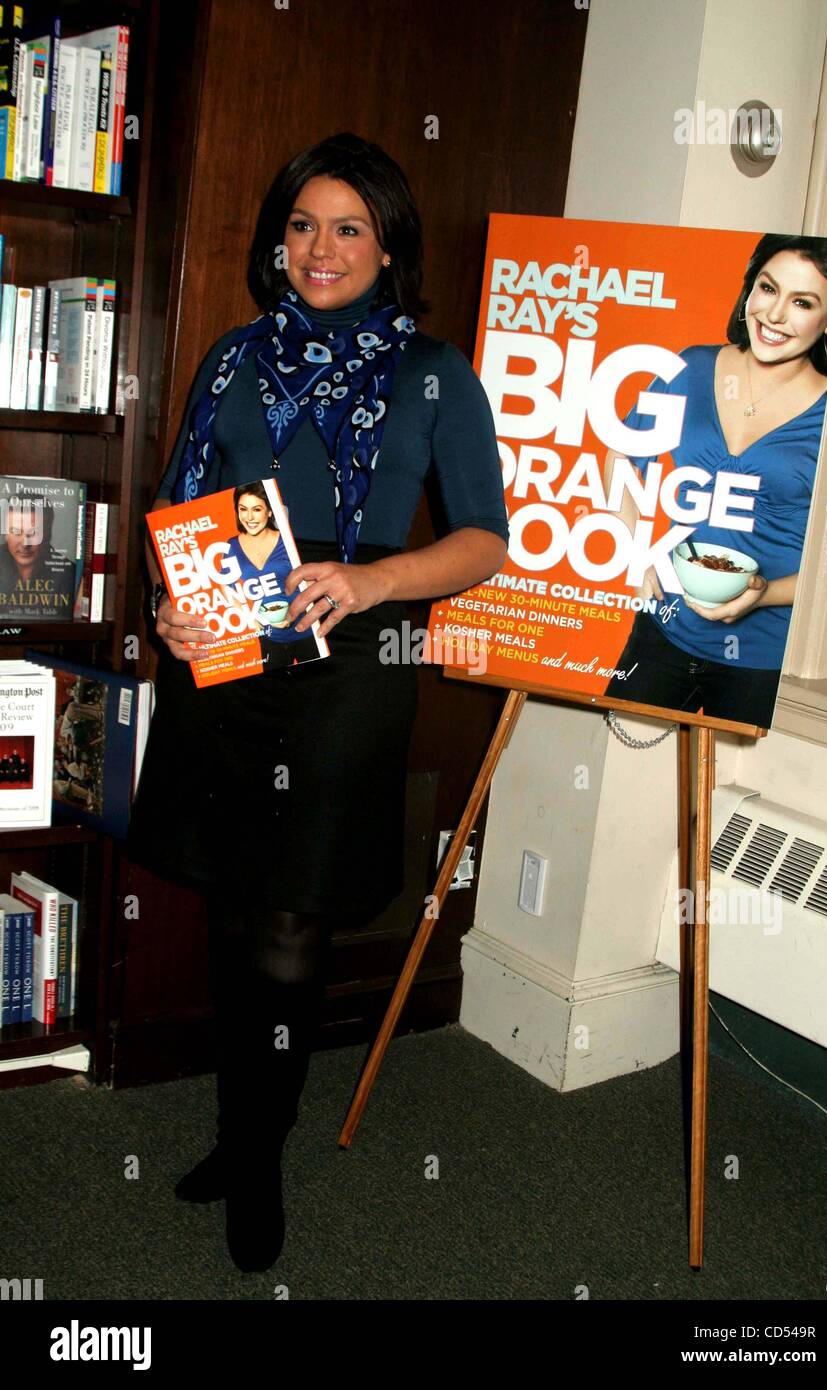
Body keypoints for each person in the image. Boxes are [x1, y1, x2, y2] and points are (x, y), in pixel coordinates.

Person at [126, 132, 509, 1273]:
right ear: (274, 241)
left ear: (387, 245)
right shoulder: (232, 360)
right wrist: (167, 612)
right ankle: (236, 1128)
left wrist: (374, 577)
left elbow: (485, 539)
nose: (320, 247)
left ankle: (262, 1152)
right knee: (234, 907)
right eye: (301, 224)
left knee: (292, 922)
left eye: (347, 226)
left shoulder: (434, 371)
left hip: (355, 659)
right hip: (231, 650)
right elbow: (178, 507)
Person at [602, 234, 827, 729]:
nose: (775, 315)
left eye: (802, 302)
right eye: (767, 288)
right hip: (662, 629)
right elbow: (622, 453)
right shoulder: (690, 367)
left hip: (765, 659)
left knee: (724, 801)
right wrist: (634, 548)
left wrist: (764, 592)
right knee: (614, 777)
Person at [222, 481, 323, 671]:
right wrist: (251, 619)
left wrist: (294, 613)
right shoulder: (231, 546)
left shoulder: (288, 540)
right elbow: (226, 586)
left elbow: (313, 578)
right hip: (269, 637)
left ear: (269, 511)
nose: (249, 517)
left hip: (307, 631)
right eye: (243, 509)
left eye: (257, 509)